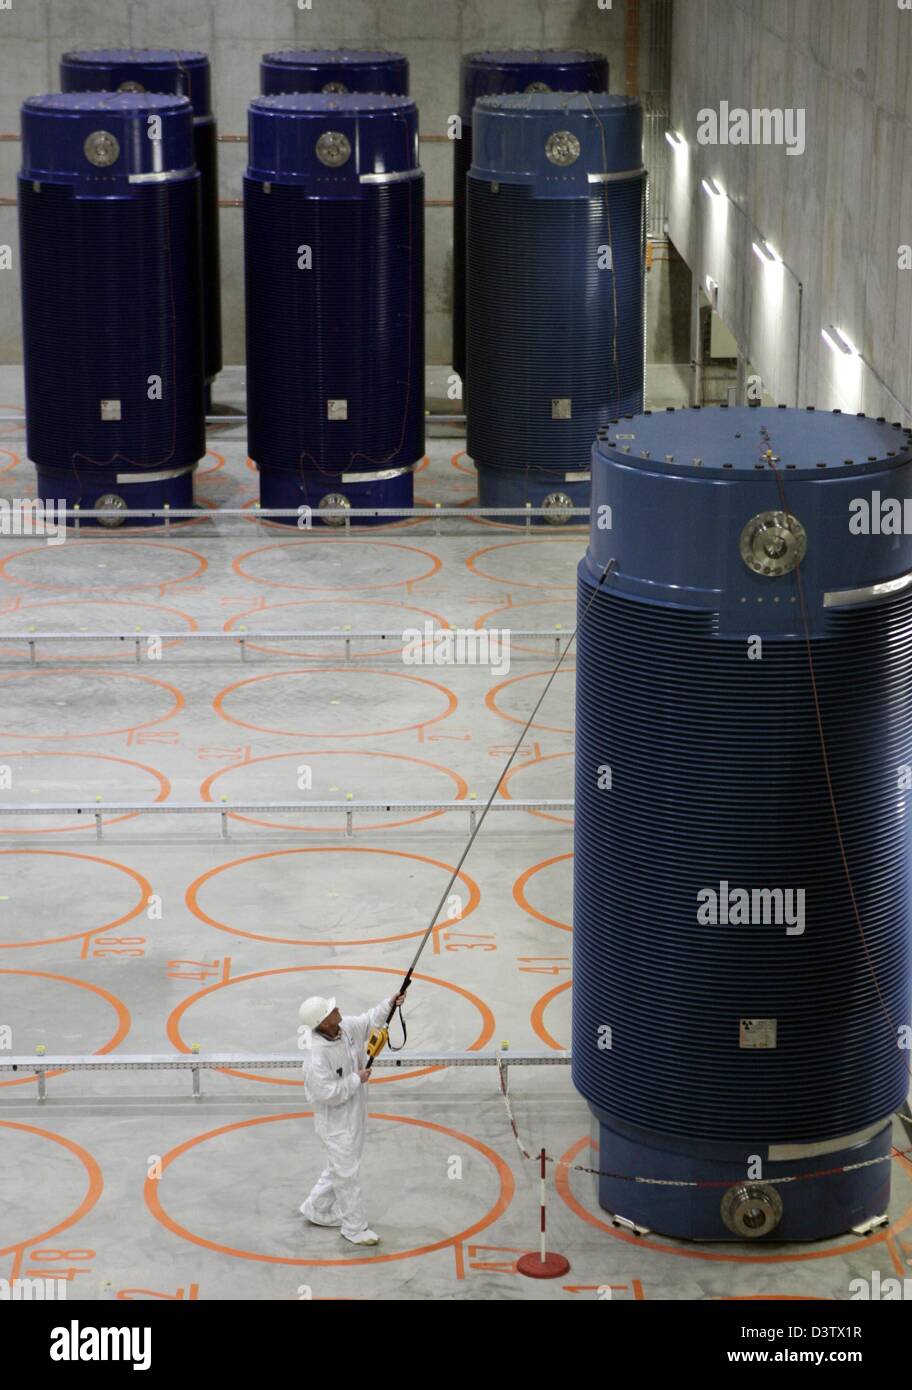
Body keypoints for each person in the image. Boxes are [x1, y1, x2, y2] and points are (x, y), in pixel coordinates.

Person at [298, 991, 406, 1246]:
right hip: (335, 1122)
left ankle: (315, 1207)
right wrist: (357, 1078)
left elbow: (369, 1021)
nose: (338, 1010)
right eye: (331, 1010)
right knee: (347, 1175)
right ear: (324, 1022)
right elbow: (326, 1094)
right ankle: (354, 1228)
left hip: (354, 1112)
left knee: (340, 1167)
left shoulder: (343, 1028)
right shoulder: (316, 1057)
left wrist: (389, 1003)